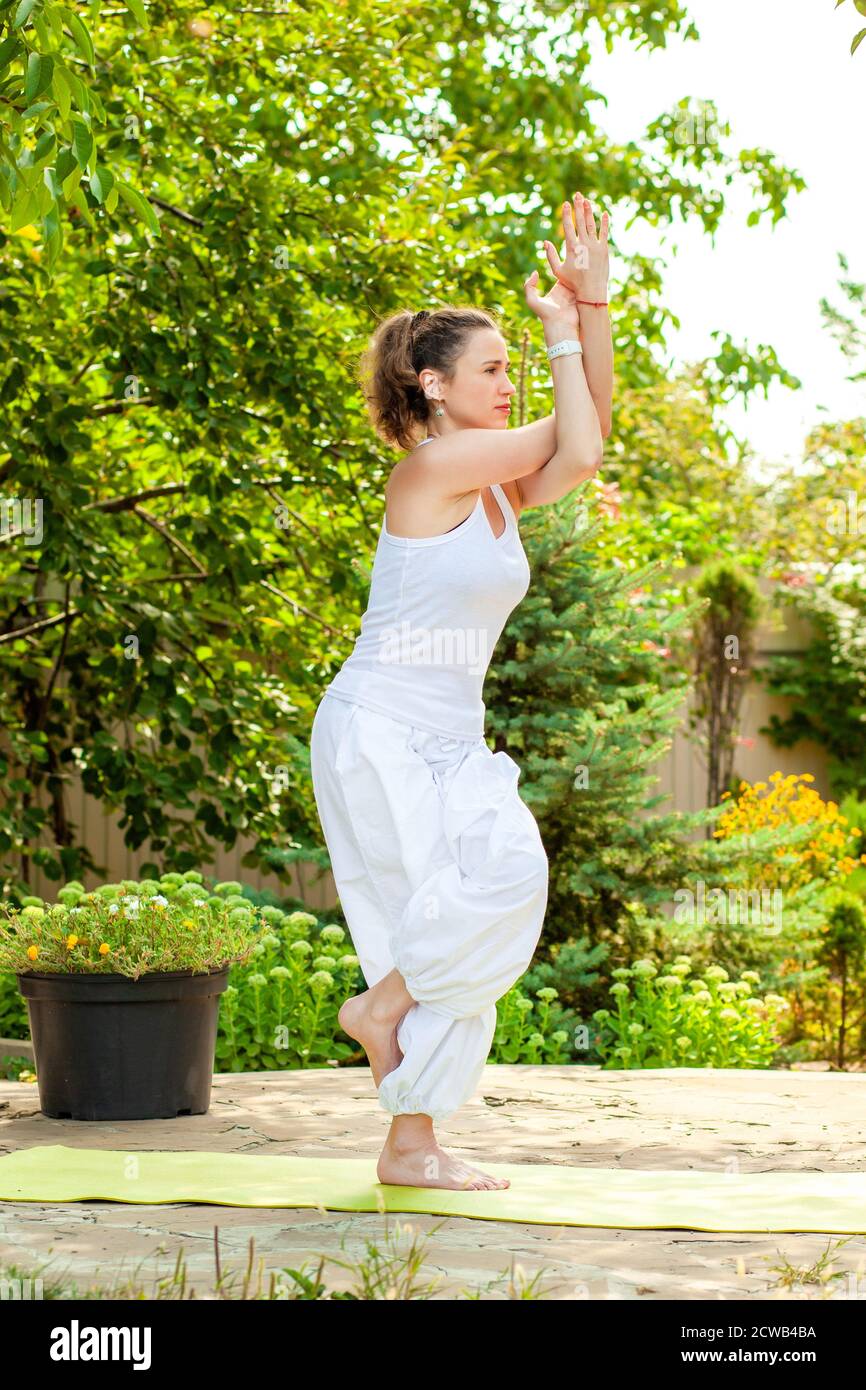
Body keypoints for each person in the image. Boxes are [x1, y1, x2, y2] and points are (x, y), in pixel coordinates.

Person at [310, 194, 612, 1191]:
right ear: (433, 386)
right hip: (381, 731)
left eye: (512, 368)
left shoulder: (493, 489)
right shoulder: (432, 469)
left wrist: (591, 312)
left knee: (494, 892)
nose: (508, 380)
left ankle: (383, 1013)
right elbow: (565, 435)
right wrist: (560, 333)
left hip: (448, 739)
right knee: (441, 908)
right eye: (492, 368)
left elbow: (582, 443)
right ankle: (412, 1139)